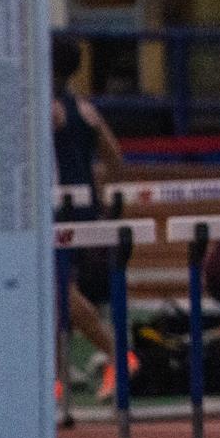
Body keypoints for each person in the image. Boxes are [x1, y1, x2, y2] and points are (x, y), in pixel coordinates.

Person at [50, 35, 138, 401]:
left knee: (58, 293)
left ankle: (120, 354)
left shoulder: (47, 111)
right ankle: (54, 376)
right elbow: (114, 156)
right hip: (83, 209)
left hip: (59, 212)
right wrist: (102, 195)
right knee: (53, 295)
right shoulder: (85, 109)